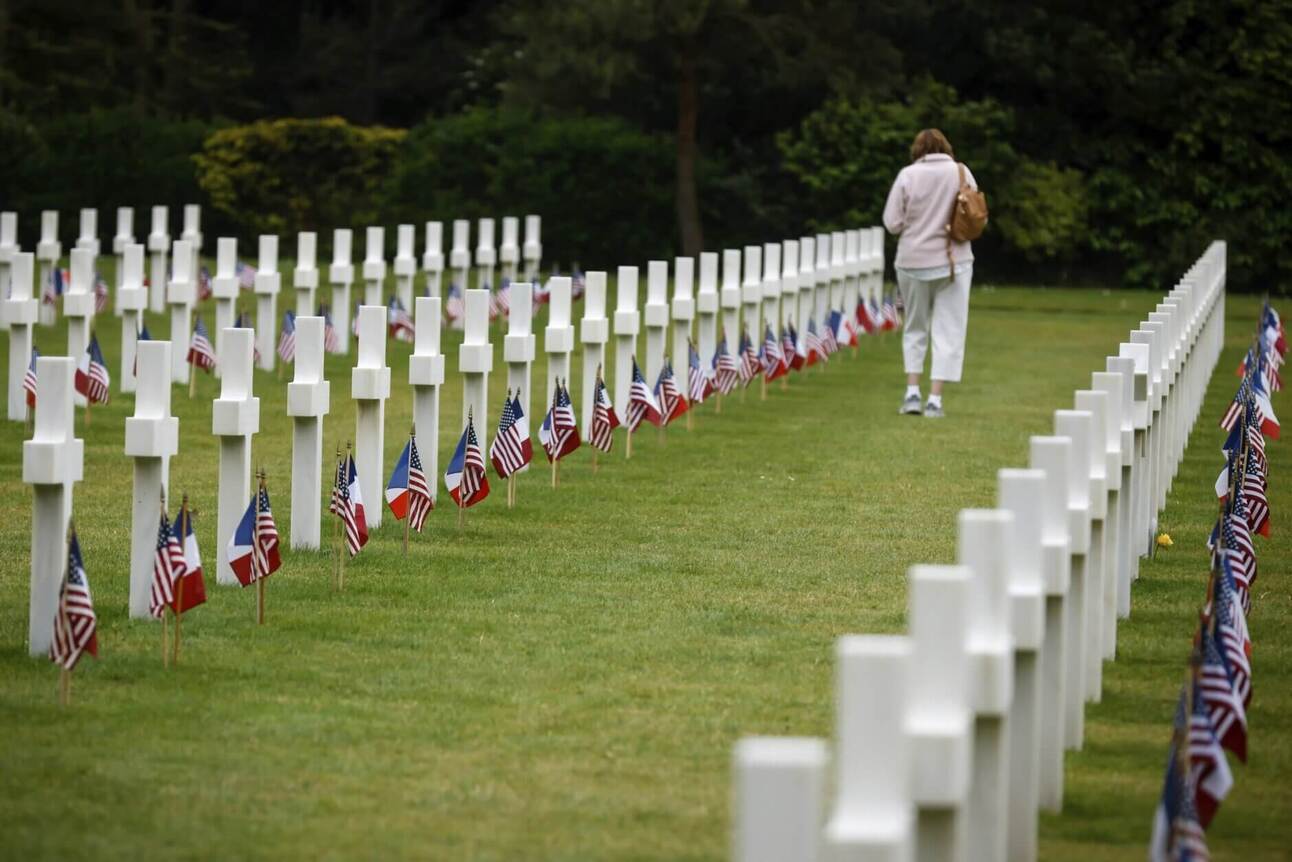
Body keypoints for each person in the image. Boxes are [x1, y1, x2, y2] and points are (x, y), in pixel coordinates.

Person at [882, 128, 977, 418]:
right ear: (946, 147)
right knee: (949, 328)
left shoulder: (907, 175)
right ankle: (935, 399)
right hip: (955, 260)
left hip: (912, 261)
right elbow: (975, 211)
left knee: (914, 326)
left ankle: (912, 393)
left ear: (918, 150)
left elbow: (892, 223)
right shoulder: (961, 172)